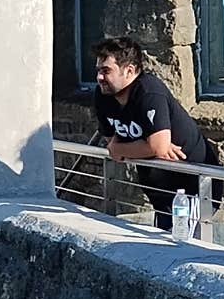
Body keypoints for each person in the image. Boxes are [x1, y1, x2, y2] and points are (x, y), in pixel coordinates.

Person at [91, 36, 217, 227]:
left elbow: (153, 146)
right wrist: (145, 147)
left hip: (193, 187)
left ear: (129, 71)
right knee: (162, 245)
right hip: (159, 190)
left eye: (106, 71)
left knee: (180, 246)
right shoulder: (103, 96)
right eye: (98, 71)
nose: (99, 77)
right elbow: (113, 144)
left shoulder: (149, 91)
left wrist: (144, 147)